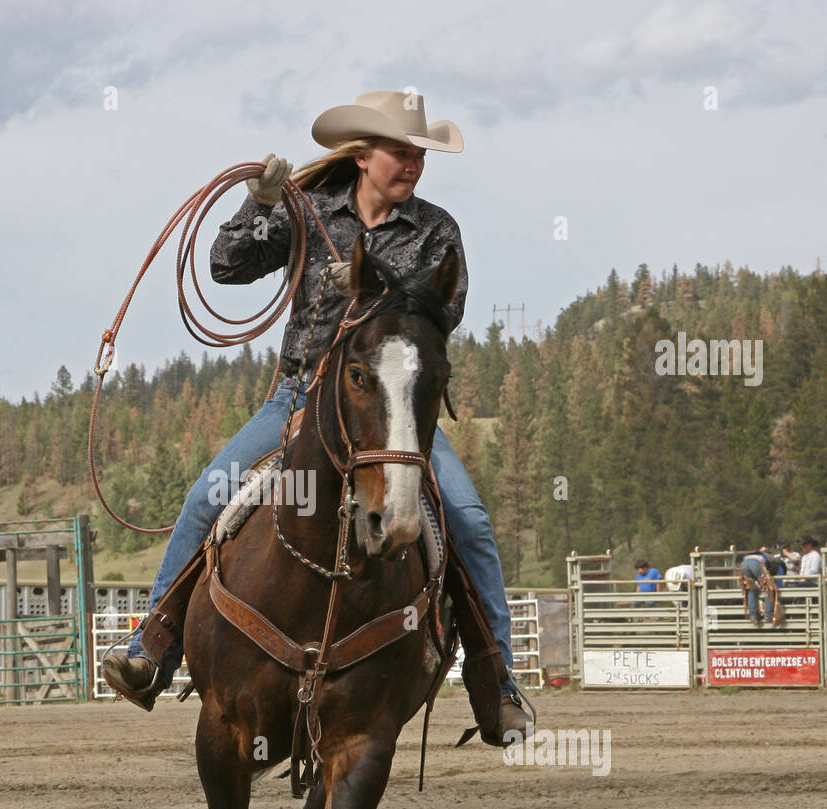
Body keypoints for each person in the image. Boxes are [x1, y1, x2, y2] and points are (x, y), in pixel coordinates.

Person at [102, 90, 527, 739]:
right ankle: (153, 645)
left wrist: (365, 286)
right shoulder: (308, 211)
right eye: (400, 150)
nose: (412, 162)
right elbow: (226, 267)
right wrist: (261, 205)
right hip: (301, 397)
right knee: (205, 498)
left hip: (390, 412)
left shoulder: (437, 232)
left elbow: (444, 314)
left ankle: (496, 680)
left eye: (419, 152)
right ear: (362, 154)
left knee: (467, 518)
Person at [740, 548, 784, 626]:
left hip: (744, 564)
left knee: (751, 589)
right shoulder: (775, 560)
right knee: (769, 588)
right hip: (756, 564)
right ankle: (768, 614)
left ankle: (753, 616)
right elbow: (773, 575)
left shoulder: (761, 555)